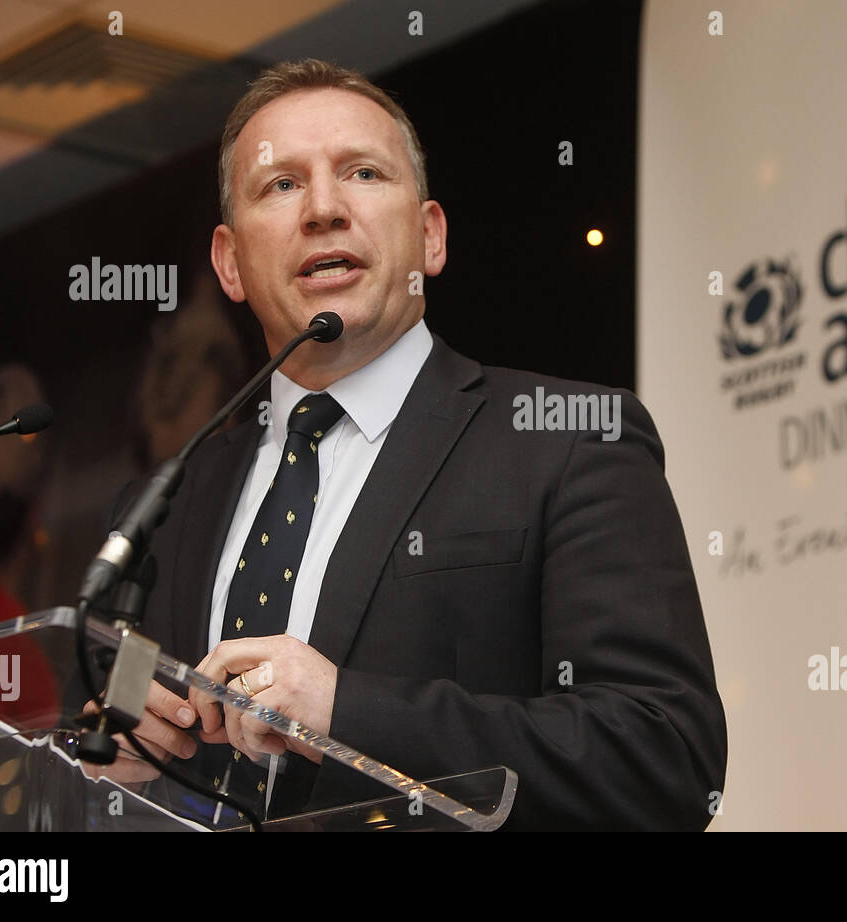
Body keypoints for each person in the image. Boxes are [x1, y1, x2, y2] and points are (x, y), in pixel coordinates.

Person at [103, 58, 726, 830]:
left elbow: (664, 755)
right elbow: (114, 751)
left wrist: (347, 713)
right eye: (282, 184)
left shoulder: (566, 442)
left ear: (430, 237)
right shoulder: (165, 500)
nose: (324, 209)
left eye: (362, 173)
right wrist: (118, 755)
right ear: (230, 263)